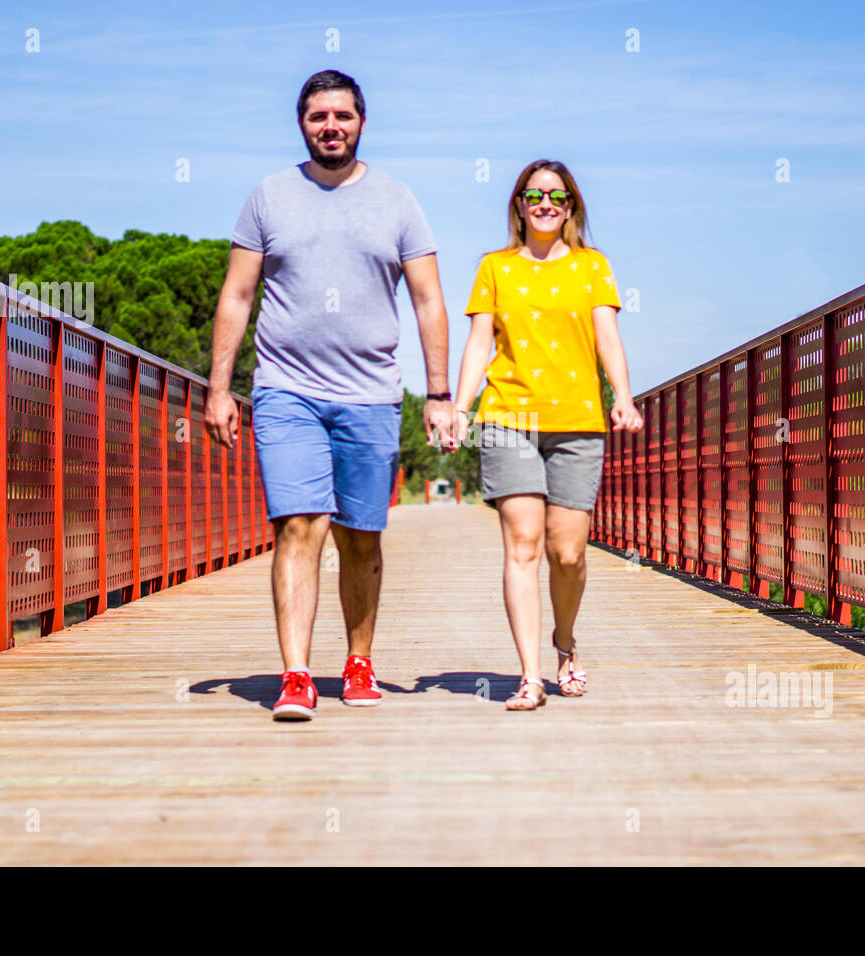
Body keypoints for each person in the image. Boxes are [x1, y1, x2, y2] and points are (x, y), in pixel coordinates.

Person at [205, 70, 454, 721]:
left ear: (361, 122)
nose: (331, 127)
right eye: (319, 117)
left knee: (360, 537)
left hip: (370, 395)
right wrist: (219, 388)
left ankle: (358, 661)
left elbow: (428, 300)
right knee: (298, 526)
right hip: (286, 390)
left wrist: (439, 393)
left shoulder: (398, 200)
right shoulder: (268, 197)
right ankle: (294, 675)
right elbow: (237, 294)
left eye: (342, 116)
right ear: (302, 124)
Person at [451, 159, 644, 711]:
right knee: (523, 545)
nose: (544, 204)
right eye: (533, 195)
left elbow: (608, 337)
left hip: (578, 422)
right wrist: (461, 407)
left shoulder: (592, 266)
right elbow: (477, 344)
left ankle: (565, 645)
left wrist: (624, 399)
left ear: (571, 207)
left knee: (567, 552)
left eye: (556, 197)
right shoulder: (495, 267)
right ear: (517, 204)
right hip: (509, 417)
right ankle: (531, 675)